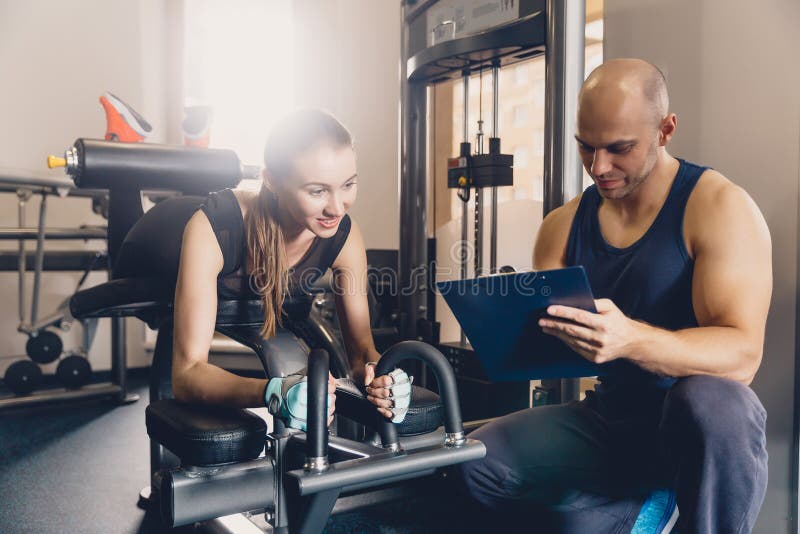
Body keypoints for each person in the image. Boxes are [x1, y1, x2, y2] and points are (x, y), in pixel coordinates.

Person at [459, 58, 770, 533]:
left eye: (619, 148)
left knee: (714, 403)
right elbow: (553, 350)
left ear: (665, 130)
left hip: (692, 427)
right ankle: (628, 509)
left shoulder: (718, 207)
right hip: (609, 422)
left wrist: (631, 340)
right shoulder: (561, 227)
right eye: (587, 147)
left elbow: (742, 355)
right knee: (473, 462)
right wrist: (505, 324)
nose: (599, 167)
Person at [115, 109, 409, 429]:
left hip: (213, 245)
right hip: (152, 243)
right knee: (120, 234)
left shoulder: (344, 234)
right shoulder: (214, 228)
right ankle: (120, 150)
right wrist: (272, 391)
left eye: (348, 184)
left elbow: (361, 352)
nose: (336, 207)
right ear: (272, 180)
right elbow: (186, 374)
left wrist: (382, 377)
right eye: (317, 191)